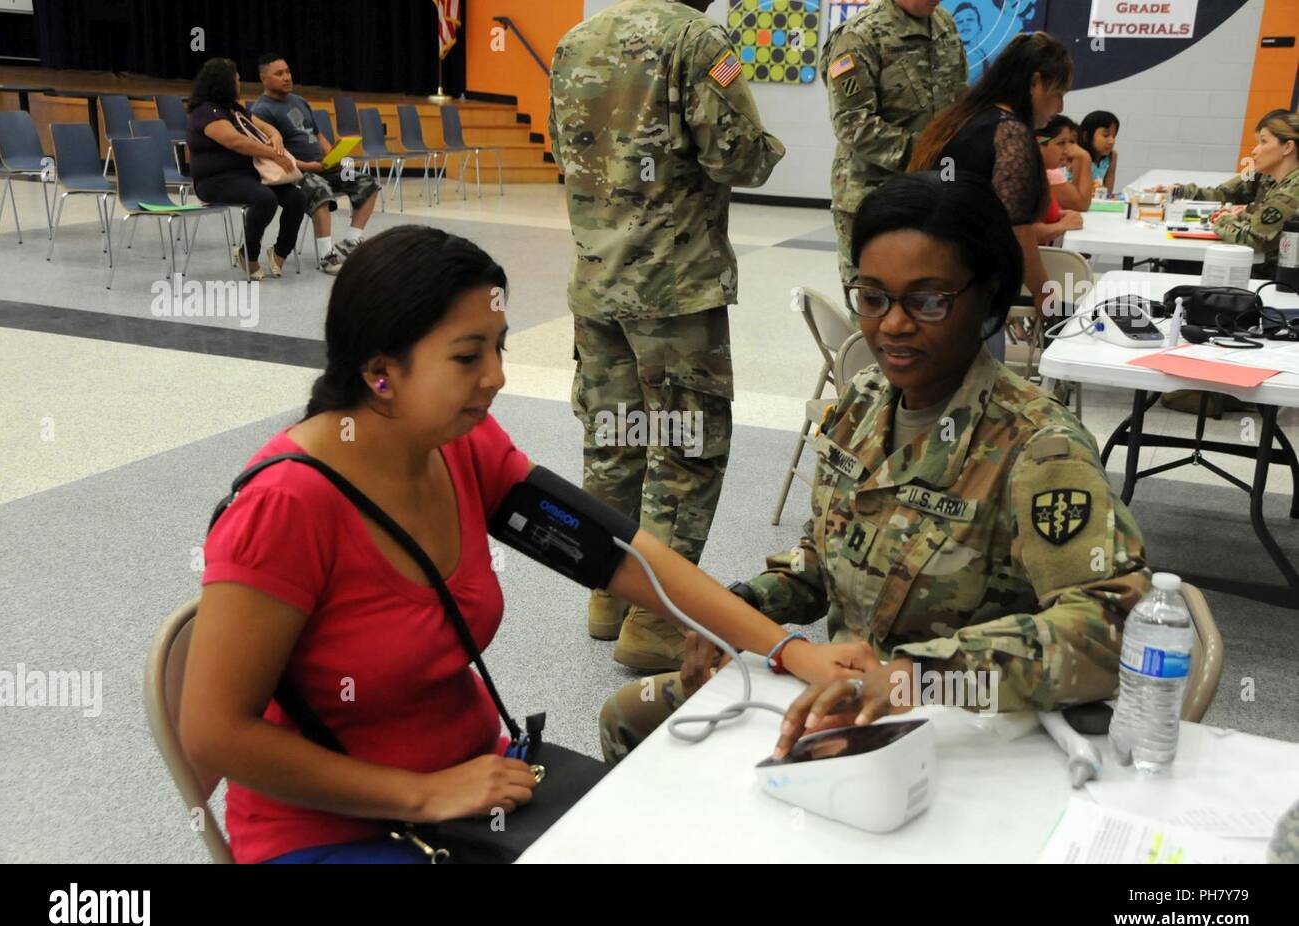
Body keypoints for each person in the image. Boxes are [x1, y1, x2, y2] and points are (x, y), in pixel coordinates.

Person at [184, 225, 870, 863]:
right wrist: (423, 793)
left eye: (499, 346)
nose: (496, 375)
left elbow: (623, 556)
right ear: (379, 372)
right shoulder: (285, 507)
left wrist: (791, 650)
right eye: (467, 355)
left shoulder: (461, 447)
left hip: (481, 792)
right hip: (336, 829)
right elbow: (214, 732)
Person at [601, 173, 1150, 765]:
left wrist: (919, 675)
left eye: (929, 300)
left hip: (965, 725)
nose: (893, 324)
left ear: (988, 299)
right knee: (628, 716)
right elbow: (821, 563)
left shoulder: (1039, 448)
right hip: (844, 698)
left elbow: (1111, 629)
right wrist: (742, 610)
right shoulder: (863, 400)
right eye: (873, 297)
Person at [548, 0, 785, 672]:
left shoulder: (575, 40)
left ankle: (607, 597)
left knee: (614, 439)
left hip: (596, 278)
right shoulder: (697, 40)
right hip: (674, 289)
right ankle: (655, 625)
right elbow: (741, 157)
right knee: (686, 452)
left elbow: (569, 148)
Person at [909, 31, 1073, 355]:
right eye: (1058, 94)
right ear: (1036, 83)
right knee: (973, 396)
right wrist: (1043, 293)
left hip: (924, 273)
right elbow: (1015, 228)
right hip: (966, 288)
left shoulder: (963, 119)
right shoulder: (1010, 133)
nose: (1060, 106)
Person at [822, 0, 967, 284]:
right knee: (873, 299)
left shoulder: (945, 25)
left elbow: (959, 99)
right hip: (873, 195)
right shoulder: (860, 35)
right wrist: (926, 154)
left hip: (932, 193)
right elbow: (853, 125)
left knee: (926, 292)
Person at [252, 54, 381, 275]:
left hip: (323, 167)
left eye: (288, 72)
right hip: (295, 172)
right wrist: (308, 166)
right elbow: (275, 154)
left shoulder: (299, 101)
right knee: (320, 191)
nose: (286, 77)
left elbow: (318, 135)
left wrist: (332, 153)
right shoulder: (261, 111)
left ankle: (351, 241)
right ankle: (326, 257)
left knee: (366, 183)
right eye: (279, 73)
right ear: (264, 79)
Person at [186, 58, 306, 281]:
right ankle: (248, 254)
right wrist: (272, 154)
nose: (239, 83)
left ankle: (280, 253)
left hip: (247, 176)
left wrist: (276, 136)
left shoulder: (233, 109)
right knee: (265, 199)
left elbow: (262, 125)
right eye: (237, 79)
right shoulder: (205, 113)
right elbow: (235, 142)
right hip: (215, 181)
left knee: (297, 197)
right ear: (225, 82)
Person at [1160, 110, 1299, 273]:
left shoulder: (1293, 188)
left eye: (1263, 142)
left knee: (1183, 265)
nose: (1254, 151)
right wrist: (1241, 216)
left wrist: (1223, 219)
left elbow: (1252, 238)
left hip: (1273, 274)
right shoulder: (1278, 179)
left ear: (1288, 147)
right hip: (1272, 268)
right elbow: (1226, 195)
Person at [1034, 118, 1084, 245]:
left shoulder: (1041, 175)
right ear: (1038, 144)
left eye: (1070, 142)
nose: (1067, 150)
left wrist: (1058, 214)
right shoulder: (1026, 180)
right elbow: (1023, 233)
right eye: (1061, 143)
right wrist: (1062, 225)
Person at [1078, 109, 1120, 197]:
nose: (1111, 141)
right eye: (1105, 135)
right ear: (1086, 136)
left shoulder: (1111, 157)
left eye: (1114, 136)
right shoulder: (1079, 156)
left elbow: (1108, 192)